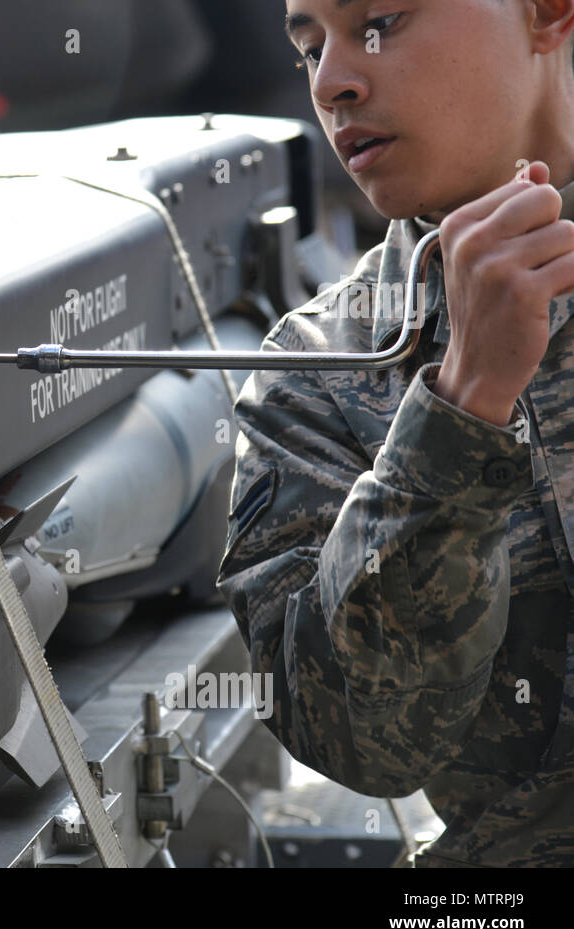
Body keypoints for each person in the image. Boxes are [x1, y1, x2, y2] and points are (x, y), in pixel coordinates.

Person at [216, 0, 574, 866]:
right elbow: (362, 744)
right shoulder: (318, 374)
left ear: (546, 12)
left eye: (381, 20)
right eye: (309, 47)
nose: (334, 80)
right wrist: (461, 410)